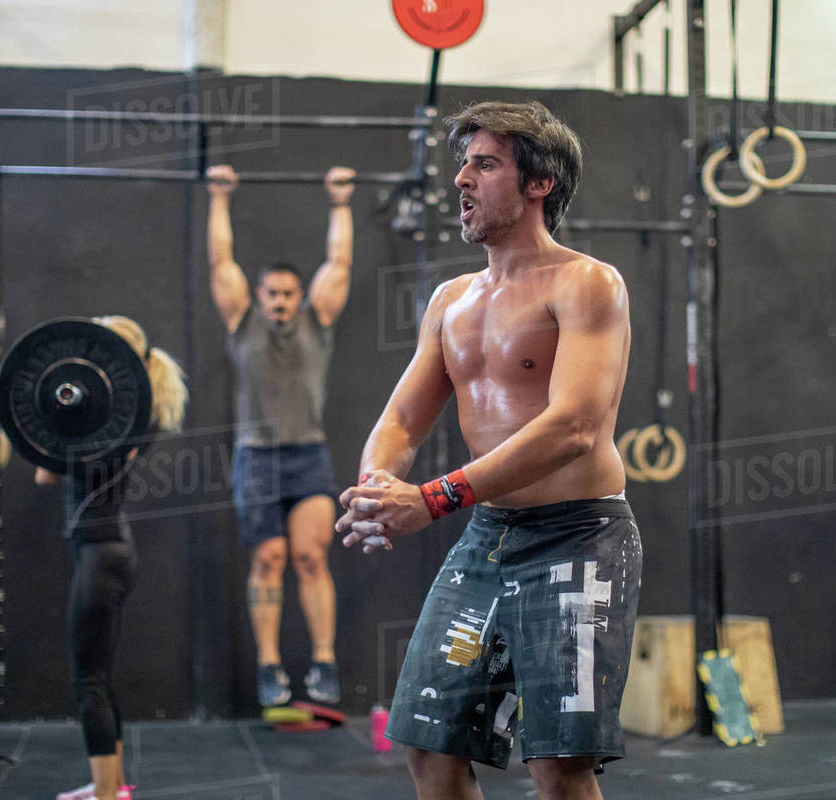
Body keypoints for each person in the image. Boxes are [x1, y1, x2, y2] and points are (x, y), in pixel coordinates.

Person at [337, 101, 642, 800]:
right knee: (426, 742)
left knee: (558, 770)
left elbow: (573, 428)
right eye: (462, 164)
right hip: (489, 539)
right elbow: (402, 419)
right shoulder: (451, 299)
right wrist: (377, 490)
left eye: (484, 163)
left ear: (539, 183)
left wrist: (432, 498)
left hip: (580, 539)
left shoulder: (586, 283)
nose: (461, 181)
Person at [205, 163, 355, 707]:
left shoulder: (317, 321)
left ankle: (323, 662)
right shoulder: (243, 321)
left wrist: (340, 202)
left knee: (311, 556)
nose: (280, 302)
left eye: (289, 294)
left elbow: (338, 262)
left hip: (306, 454)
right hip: (257, 458)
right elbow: (222, 261)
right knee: (268, 557)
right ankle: (270, 668)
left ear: (300, 296)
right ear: (261, 295)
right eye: (272, 294)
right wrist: (220, 197)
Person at [44, 316, 189, 800]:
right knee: (98, 678)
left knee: (87, 680)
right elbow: (51, 473)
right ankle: (110, 786)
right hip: (105, 550)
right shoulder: (112, 420)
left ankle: (106, 795)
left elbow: (47, 472)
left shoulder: (121, 422)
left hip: (100, 553)